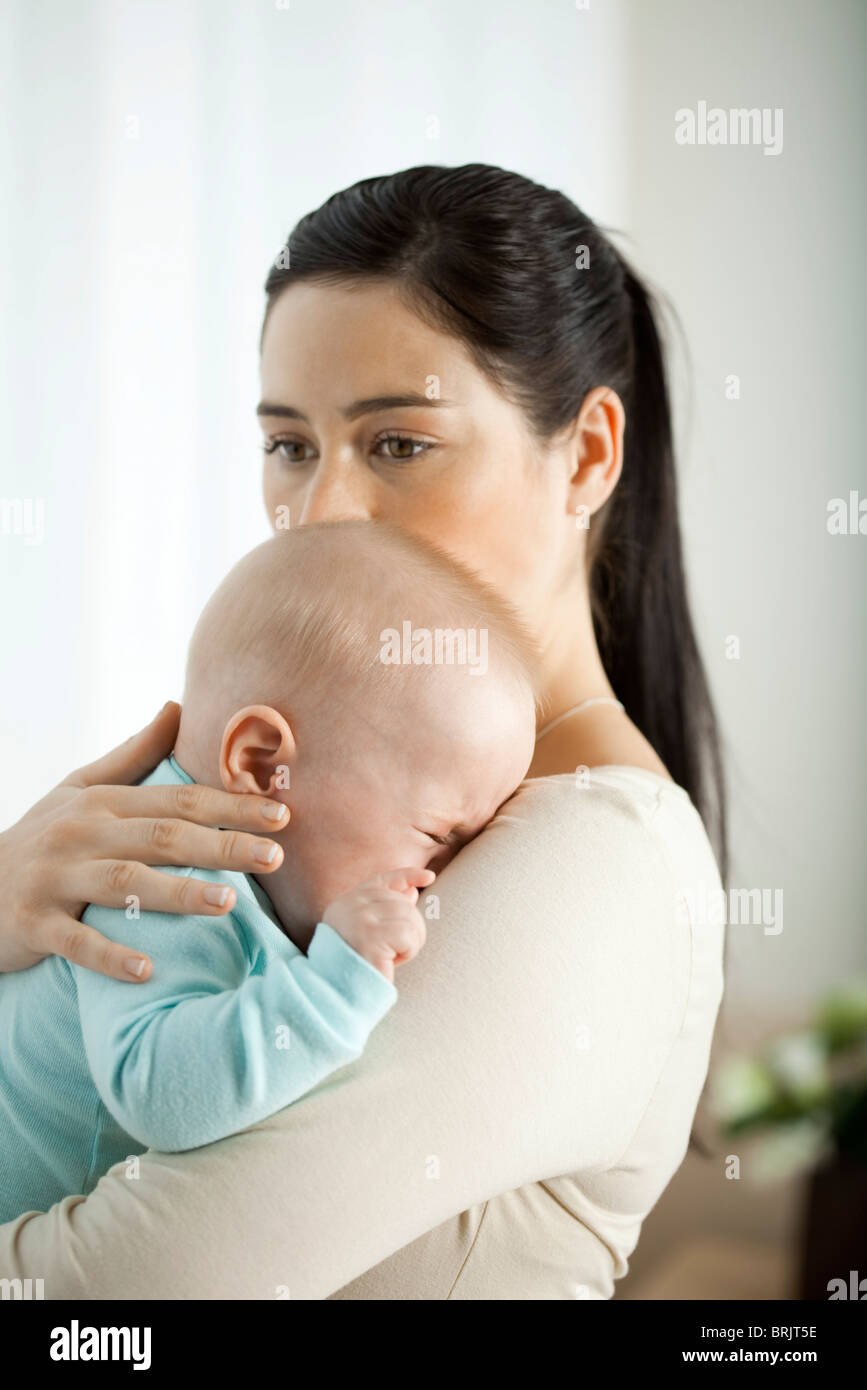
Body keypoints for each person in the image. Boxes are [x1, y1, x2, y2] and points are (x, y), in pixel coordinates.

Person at [0, 164, 726, 1299]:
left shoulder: (599, 863)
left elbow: (131, 1292)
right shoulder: (306, 772)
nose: (320, 510)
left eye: (398, 443)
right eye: (290, 445)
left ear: (586, 454)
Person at [0, 521, 538, 1221]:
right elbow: (157, 1091)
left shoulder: (244, 880)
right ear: (261, 766)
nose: (446, 875)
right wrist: (333, 989)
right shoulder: (160, 881)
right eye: (437, 834)